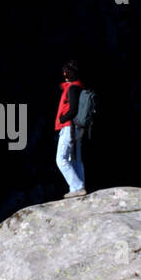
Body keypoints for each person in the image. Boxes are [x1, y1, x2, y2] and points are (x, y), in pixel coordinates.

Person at [55, 59, 86, 198]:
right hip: (77, 128)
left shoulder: (72, 88)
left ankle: (77, 187)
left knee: (61, 159)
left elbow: (72, 110)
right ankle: (78, 187)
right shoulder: (78, 87)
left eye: (65, 71)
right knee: (75, 159)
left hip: (69, 127)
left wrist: (62, 119)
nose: (64, 73)